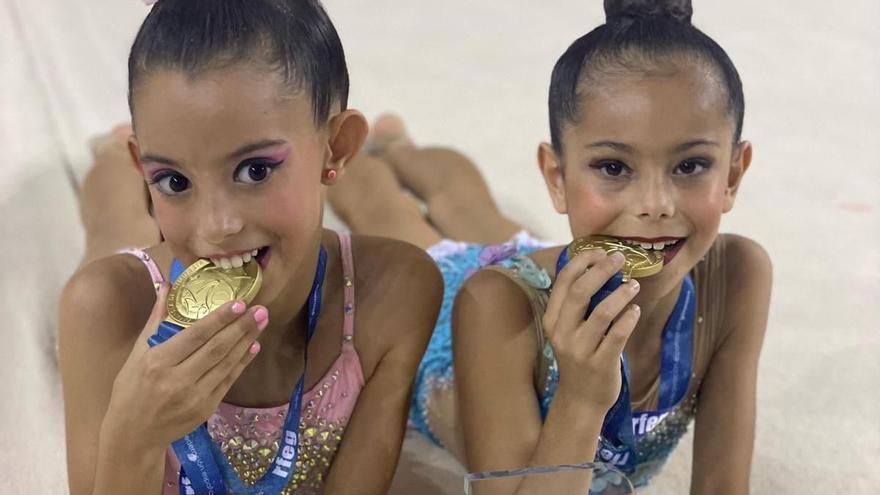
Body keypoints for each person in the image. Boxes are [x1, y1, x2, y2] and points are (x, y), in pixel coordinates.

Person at [328, 0, 772, 492]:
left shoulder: (736, 276)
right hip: (461, 305)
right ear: (557, 178)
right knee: (386, 215)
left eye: (690, 166)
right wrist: (582, 394)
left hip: (569, 258)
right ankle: (389, 151)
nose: (655, 205)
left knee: (473, 208)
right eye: (613, 167)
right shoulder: (494, 306)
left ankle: (402, 147)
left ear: (732, 174)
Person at [58, 1, 443, 494]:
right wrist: (133, 436)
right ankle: (114, 160)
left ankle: (392, 152)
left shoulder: (395, 294)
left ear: (336, 148)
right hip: (139, 281)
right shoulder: (106, 308)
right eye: (172, 179)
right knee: (116, 223)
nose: (217, 226)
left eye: (255, 170)